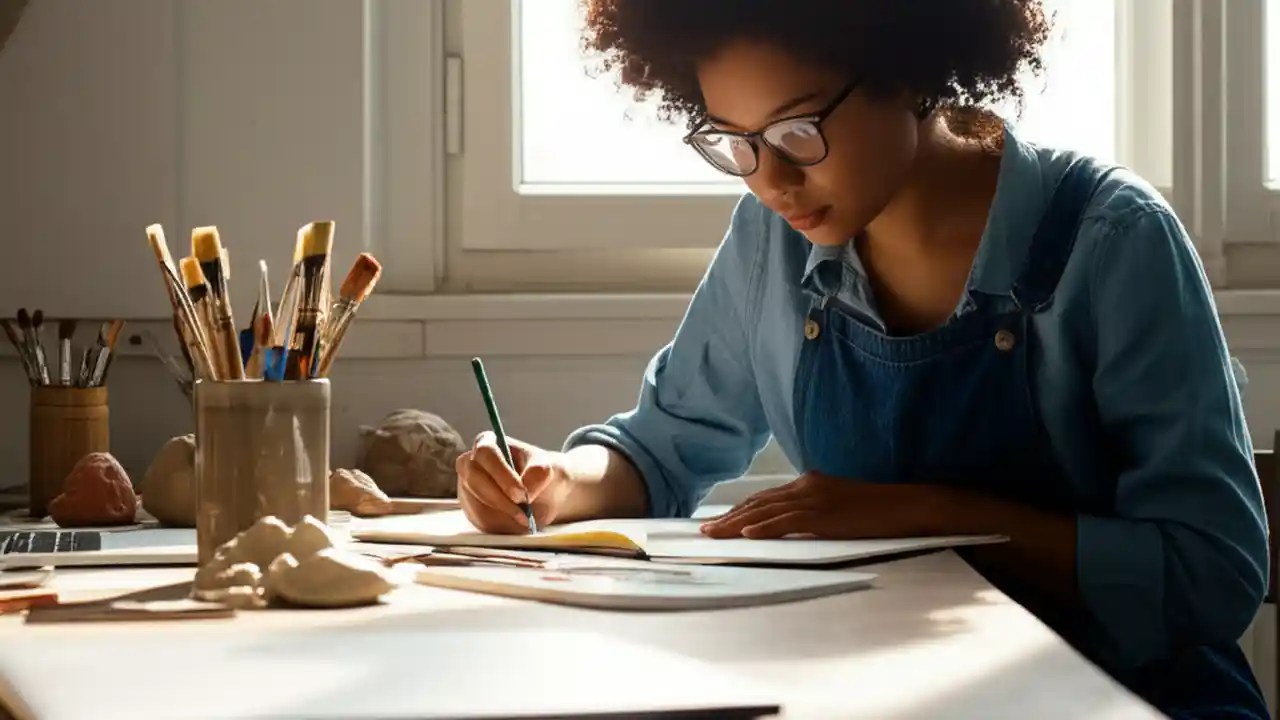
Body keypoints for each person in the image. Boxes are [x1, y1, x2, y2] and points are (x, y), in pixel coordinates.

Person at [455, 1, 1270, 716]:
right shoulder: (773, 240)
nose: (769, 181)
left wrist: (930, 516)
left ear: (906, 69)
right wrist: (561, 482)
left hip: (1128, 697)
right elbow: (659, 453)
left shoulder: (1112, 240)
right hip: (896, 693)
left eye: (798, 133)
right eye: (733, 142)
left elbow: (1212, 573)